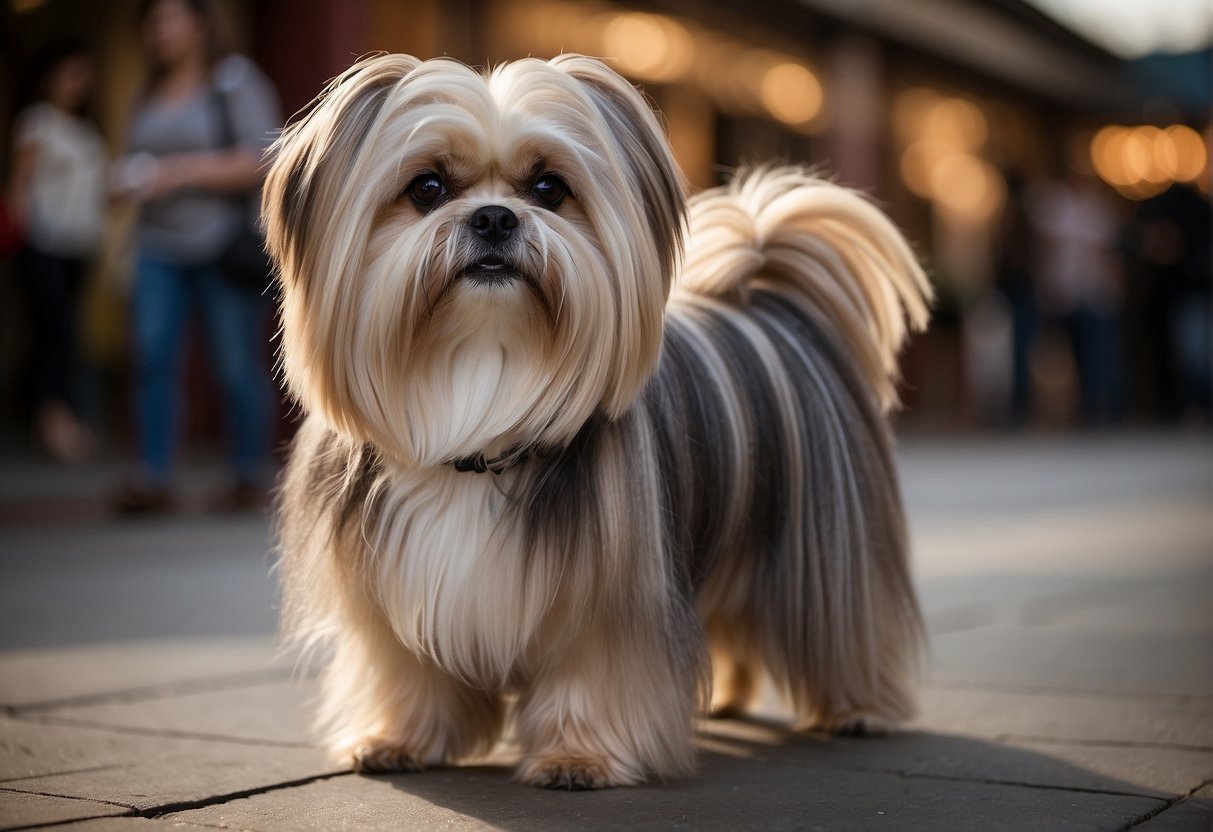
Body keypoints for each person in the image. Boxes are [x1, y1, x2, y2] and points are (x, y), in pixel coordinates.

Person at [113, 0, 280, 513]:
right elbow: (132, 159)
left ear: (200, 24)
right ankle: (153, 476)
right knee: (152, 356)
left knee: (234, 365)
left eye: (169, 19)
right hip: (156, 245)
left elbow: (265, 158)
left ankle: (247, 473)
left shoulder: (234, 81)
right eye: (152, 22)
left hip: (219, 242)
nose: (159, 31)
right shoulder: (149, 91)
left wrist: (178, 173)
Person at [7, 40, 106, 463]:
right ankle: (56, 424)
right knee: (56, 331)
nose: (78, 83)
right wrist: (18, 242)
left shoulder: (88, 131)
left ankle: (42, 415)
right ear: (51, 75)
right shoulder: (36, 123)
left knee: (63, 333)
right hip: (42, 243)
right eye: (70, 72)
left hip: (80, 247)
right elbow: (18, 186)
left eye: (84, 74)